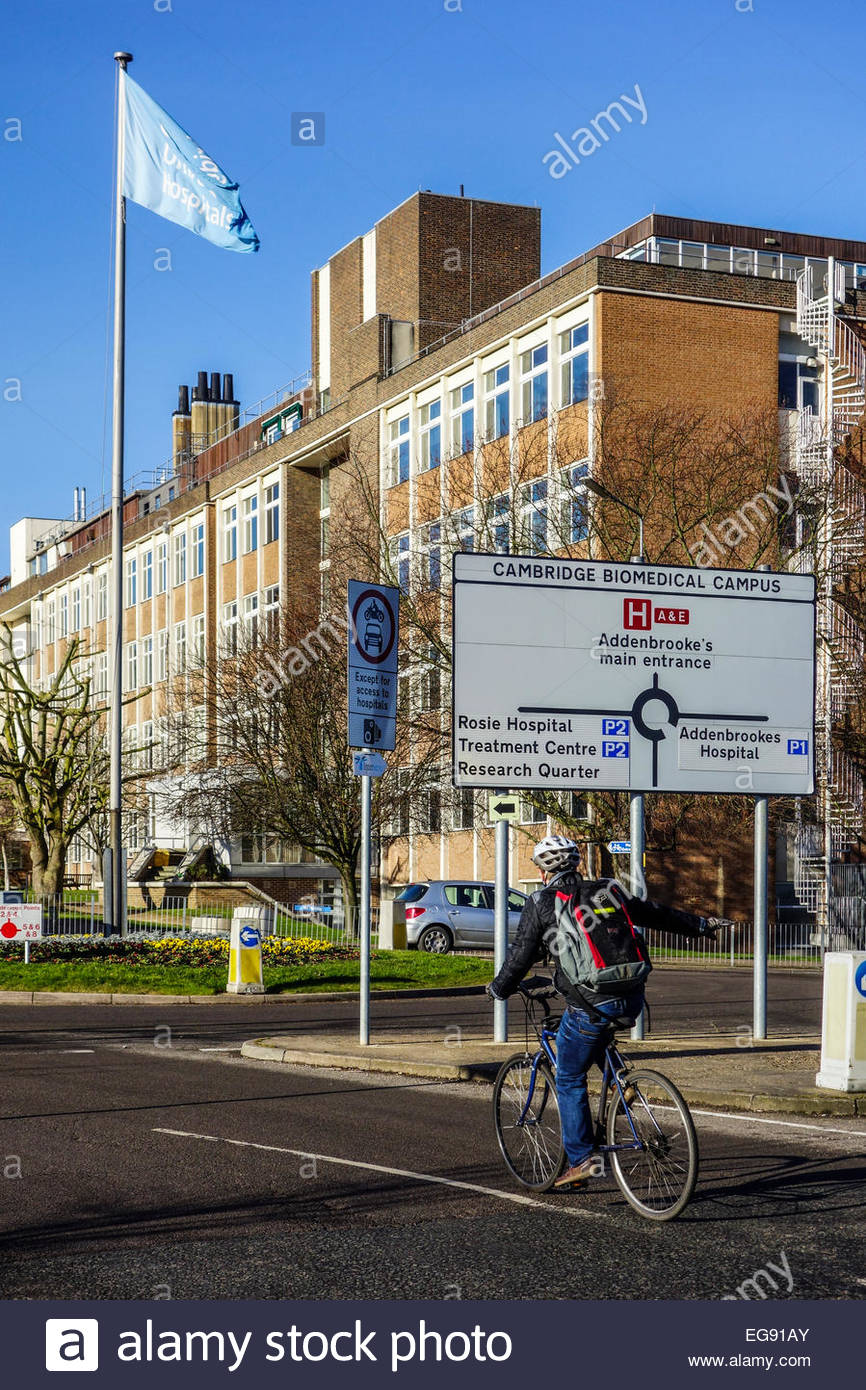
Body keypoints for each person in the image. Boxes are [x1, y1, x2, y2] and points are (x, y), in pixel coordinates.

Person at [487, 835, 721, 1190]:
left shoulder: (541, 902)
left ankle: (583, 1160)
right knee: (593, 1035)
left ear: (543, 869)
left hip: (590, 1002)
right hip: (632, 995)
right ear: (576, 864)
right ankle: (618, 1080)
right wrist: (700, 925)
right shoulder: (606, 891)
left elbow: (521, 956)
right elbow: (654, 913)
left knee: (568, 1075)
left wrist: (499, 988)